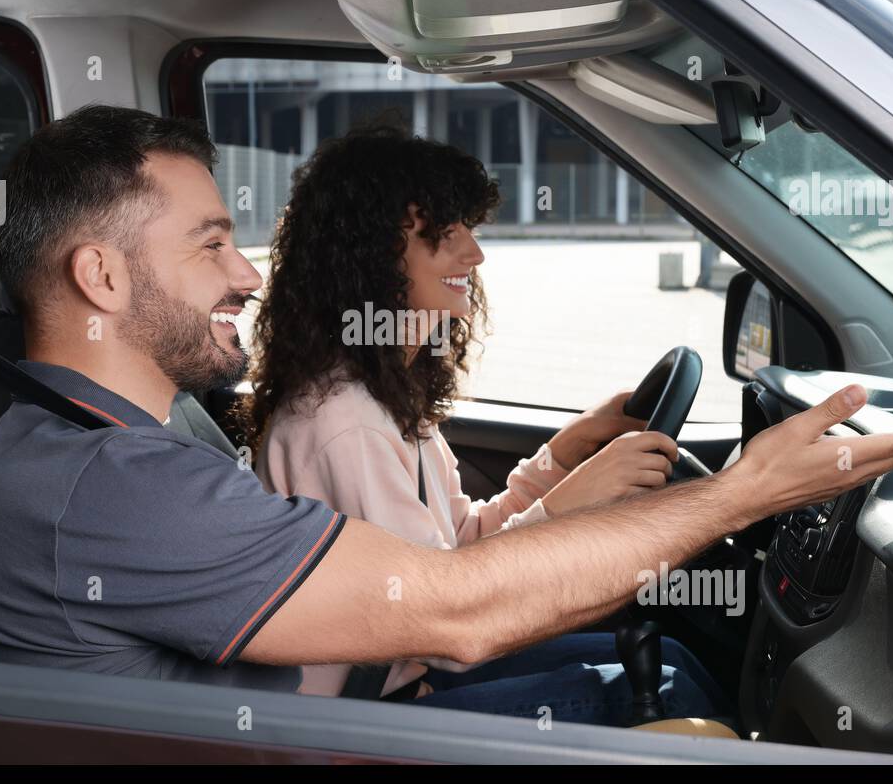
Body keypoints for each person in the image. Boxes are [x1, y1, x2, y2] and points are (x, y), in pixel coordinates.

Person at [0, 104, 893, 725]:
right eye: (211, 245)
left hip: (331, 715)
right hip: (360, 723)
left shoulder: (116, 450)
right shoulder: (113, 483)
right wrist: (738, 495)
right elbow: (448, 615)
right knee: (685, 702)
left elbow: (438, 567)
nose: (246, 273)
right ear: (102, 275)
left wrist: (557, 468)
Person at [244, 124, 728, 724]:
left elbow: (461, 545)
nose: (474, 254)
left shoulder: (386, 391)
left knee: (672, 654)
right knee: (672, 692)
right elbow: (445, 624)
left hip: (419, 670)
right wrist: (577, 500)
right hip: (373, 709)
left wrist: (566, 452)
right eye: (444, 238)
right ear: (370, 258)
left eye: (467, 230)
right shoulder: (348, 423)